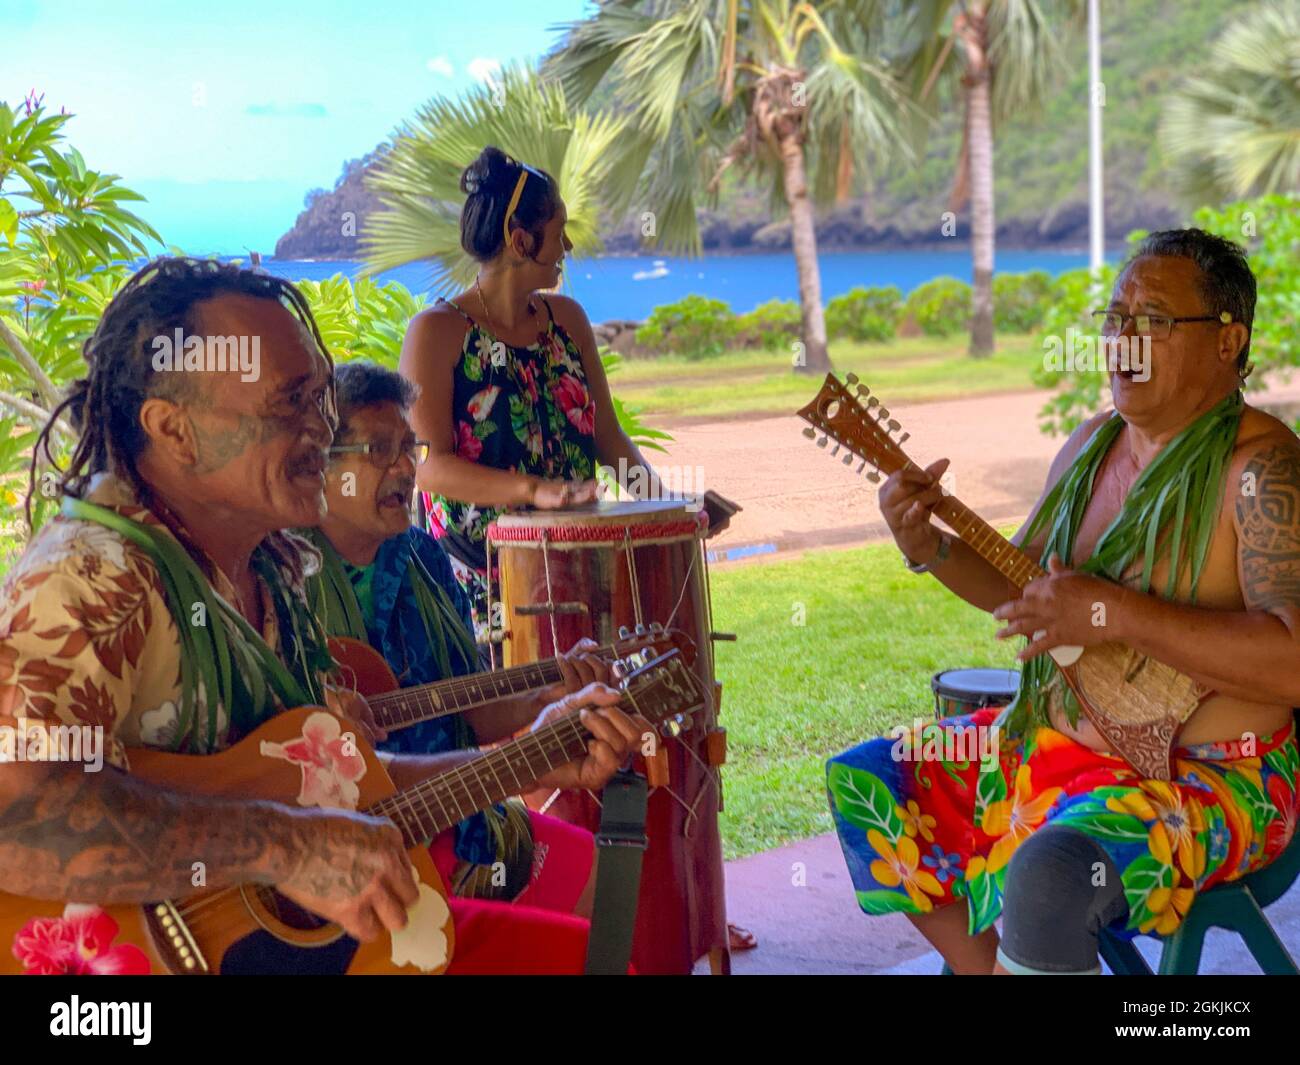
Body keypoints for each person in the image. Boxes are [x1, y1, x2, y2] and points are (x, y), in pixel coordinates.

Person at [0, 257, 644, 975]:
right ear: (173, 430)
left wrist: (526, 752)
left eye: (319, 399)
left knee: (590, 960)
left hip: (311, 949)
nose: (321, 426)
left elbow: (336, 784)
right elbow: (15, 816)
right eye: (290, 403)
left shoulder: (273, 566)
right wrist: (284, 847)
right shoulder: (92, 576)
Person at [826, 229, 1300, 975]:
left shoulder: (1261, 467)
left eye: (1155, 320)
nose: (1125, 339)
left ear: (1227, 340)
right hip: (1061, 749)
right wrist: (928, 547)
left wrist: (1110, 611)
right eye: (1116, 319)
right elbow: (1024, 588)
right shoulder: (1089, 447)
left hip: (1209, 781)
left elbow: (1292, 660)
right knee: (872, 777)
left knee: (1050, 875)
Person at [304, 360, 607, 915]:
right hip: (358, 843)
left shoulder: (424, 557)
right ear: (320, 463)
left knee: (596, 873)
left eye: (409, 449)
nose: (402, 468)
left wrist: (547, 696)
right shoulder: (281, 577)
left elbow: (470, 705)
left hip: (460, 813)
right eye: (378, 451)